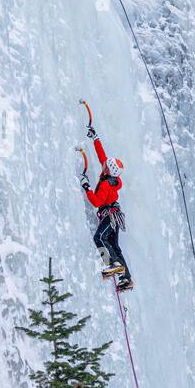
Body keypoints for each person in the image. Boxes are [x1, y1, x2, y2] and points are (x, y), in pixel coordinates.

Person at [79, 123, 132, 291]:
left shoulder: (105, 185)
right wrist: (96, 138)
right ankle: (126, 279)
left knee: (99, 238)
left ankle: (113, 264)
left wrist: (86, 187)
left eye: (106, 164)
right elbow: (101, 155)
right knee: (114, 245)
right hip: (114, 215)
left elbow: (96, 202)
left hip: (109, 215)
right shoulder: (109, 175)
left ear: (109, 169)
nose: (103, 163)